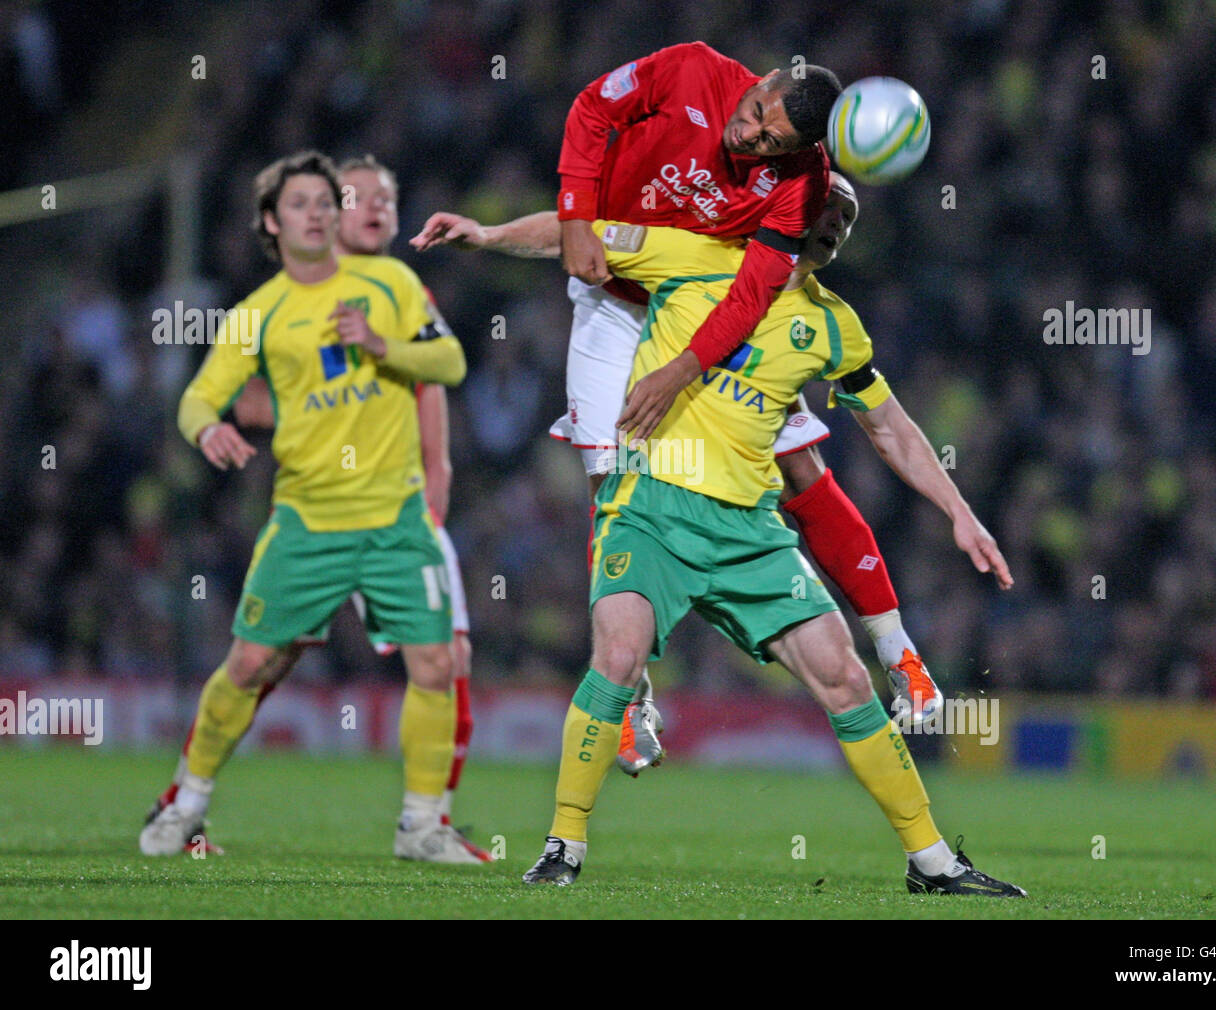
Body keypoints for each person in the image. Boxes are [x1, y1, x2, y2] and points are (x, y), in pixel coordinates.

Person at [414, 43, 952, 760]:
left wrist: (679, 372)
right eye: (758, 115)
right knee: (612, 484)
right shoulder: (691, 71)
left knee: (803, 471)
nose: (752, 135)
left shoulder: (801, 179)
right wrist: (556, 219)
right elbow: (592, 108)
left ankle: (900, 654)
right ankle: (631, 692)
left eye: (772, 141)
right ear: (761, 82)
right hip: (617, 296)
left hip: (709, 308)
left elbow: (756, 290)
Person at [518, 175, 1025, 896]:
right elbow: (577, 237)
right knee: (619, 656)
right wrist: (485, 236)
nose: (838, 226)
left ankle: (933, 863)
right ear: (789, 206)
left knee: (847, 678)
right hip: (651, 507)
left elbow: (890, 428)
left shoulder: (833, 325)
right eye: (829, 209)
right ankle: (562, 847)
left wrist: (959, 512)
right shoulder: (694, 254)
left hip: (751, 533)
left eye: (849, 220)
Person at [140, 151, 484, 865]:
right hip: (308, 520)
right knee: (248, 665)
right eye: (300, 203)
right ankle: (186, 803)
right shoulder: (257, 313)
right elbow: (199, 395)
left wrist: (383, 347)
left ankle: (423, 826)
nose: (319, 212)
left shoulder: (390, 281)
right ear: (272, 221)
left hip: (395, 518)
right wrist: (209, 427)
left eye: (327, 201)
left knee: (436, 663)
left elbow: (449, 362)